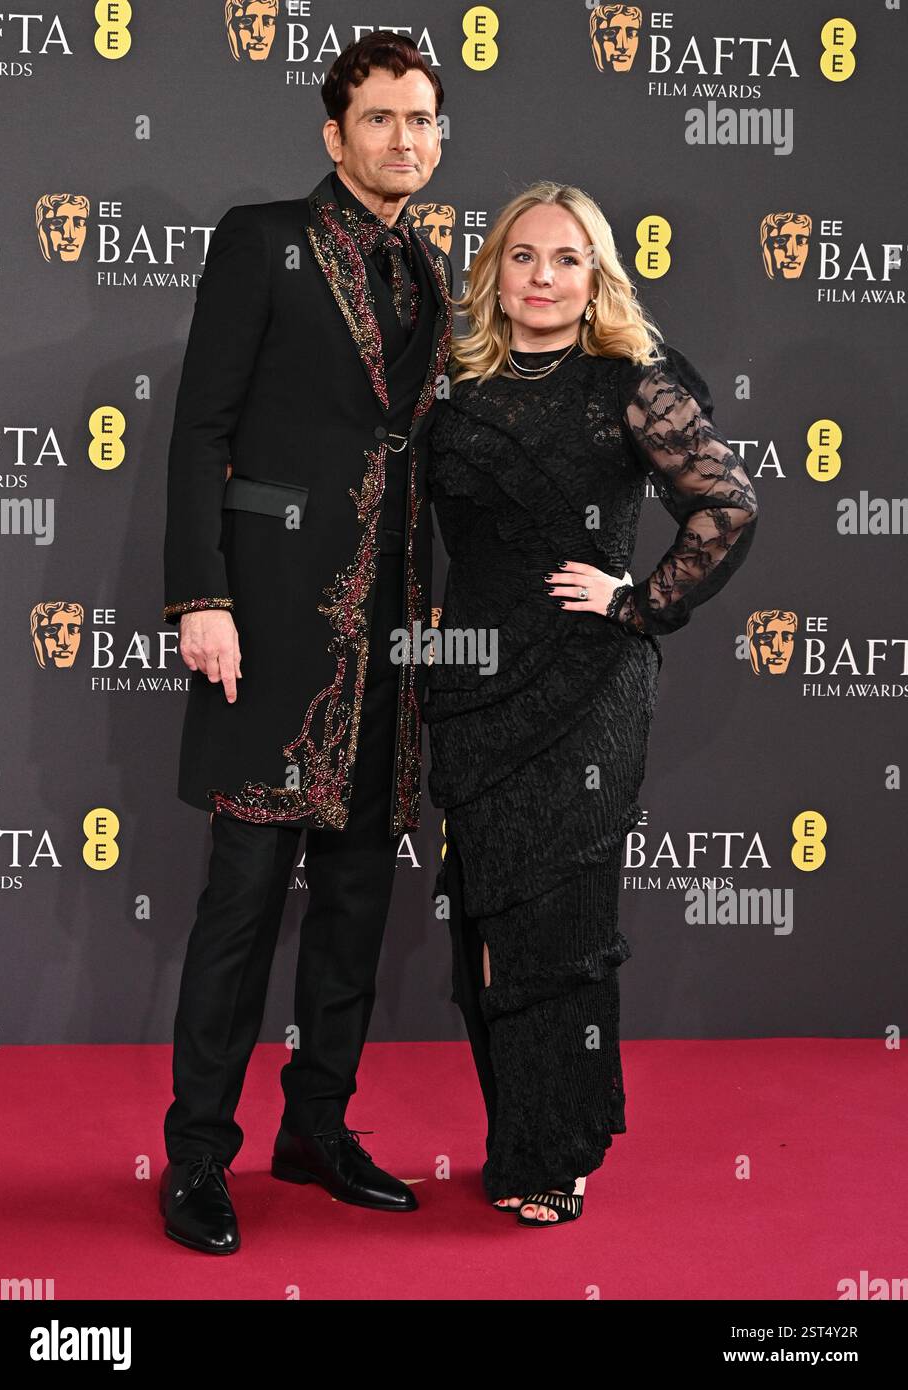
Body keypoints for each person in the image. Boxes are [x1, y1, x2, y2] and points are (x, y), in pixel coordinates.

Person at [158, 32, 452, 1254]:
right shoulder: (260, 237)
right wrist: (200, 597)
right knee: (239, 899)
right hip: (273, 621)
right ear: (334, 135)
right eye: (380, 118)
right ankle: (196, 1158)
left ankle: (316, 1129)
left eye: (423, 119)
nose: (403, 139)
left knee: (352, 902)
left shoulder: (433, 276)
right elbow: (198, 428)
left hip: (391, 634)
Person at [423, 181, 758, 1227]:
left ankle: (557, 1151)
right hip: (475, 683)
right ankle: (514, 1135)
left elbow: (727, 504)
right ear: (494, 273)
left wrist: (639, 599)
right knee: (488, 924)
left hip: (587, 682)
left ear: (596, 276)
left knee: (562, 919)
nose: (541, 277)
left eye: (566, 259)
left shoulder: (633, 383)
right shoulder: (456, 387)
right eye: (522, 257)